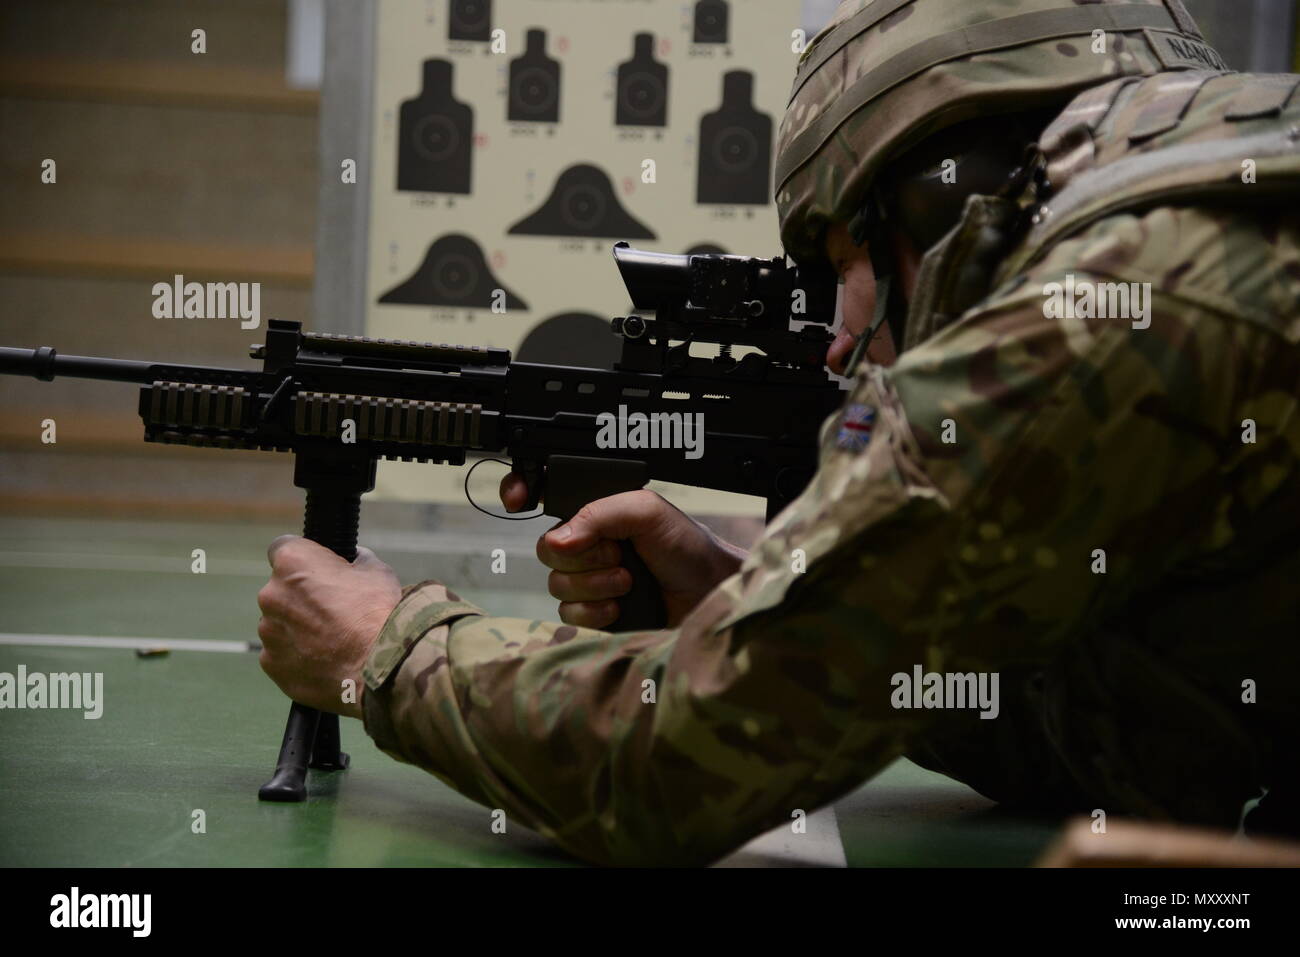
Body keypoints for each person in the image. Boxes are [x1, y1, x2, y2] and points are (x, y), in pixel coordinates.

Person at [255, 0, 1300, 865]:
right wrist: (757, 602)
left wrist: (384, 649)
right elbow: (1142, 757)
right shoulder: (1220, 210)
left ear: (929, 210)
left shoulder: (1093, 317)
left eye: (835, 269)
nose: (837, 344)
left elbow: (672, 767)